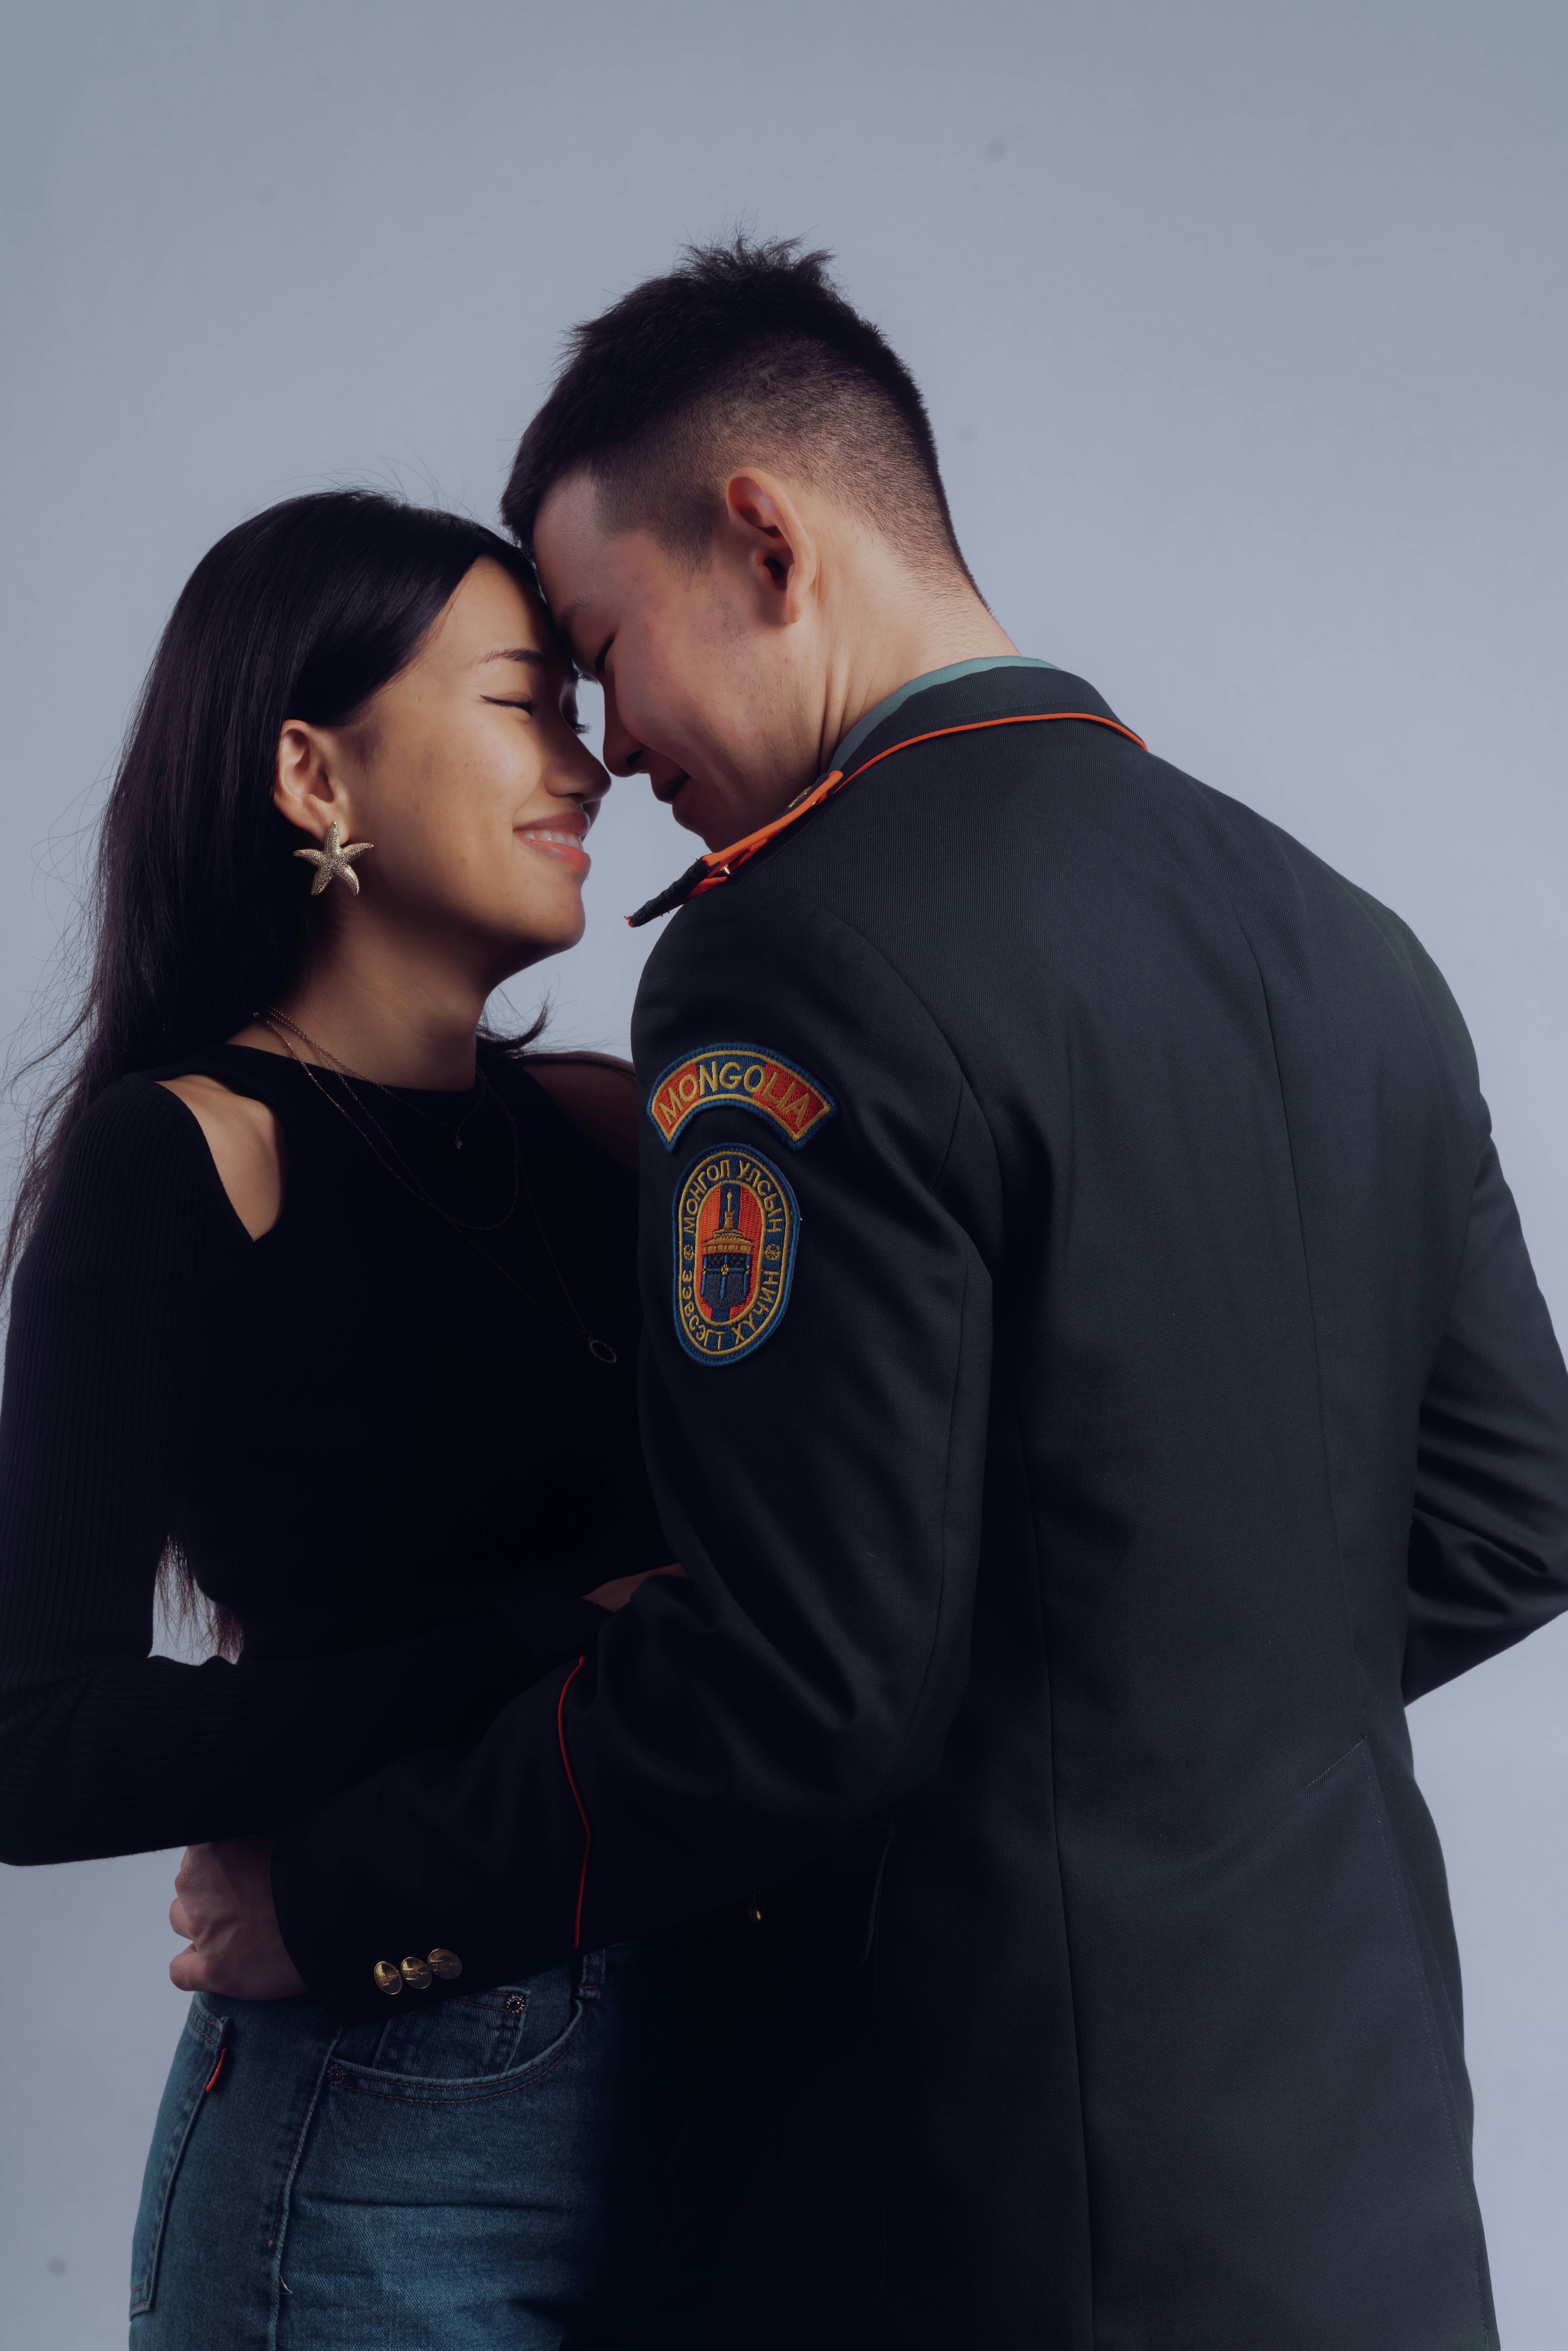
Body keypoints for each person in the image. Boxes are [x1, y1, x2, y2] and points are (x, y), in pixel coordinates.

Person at [172, 242, 1568, 2349]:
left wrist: (336, 1907)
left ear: (760, 539)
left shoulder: (793, 953)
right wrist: (1114, 1716)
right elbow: (1510, 1511)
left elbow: (798, 1692)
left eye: (602, 645)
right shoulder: (1341, 937)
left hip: (976, 2209)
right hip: (1357, 2202)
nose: (609, 743)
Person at [0, 490, 694, 2348]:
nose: (591, 761)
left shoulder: (616, 1132)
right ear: (315, 775)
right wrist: (556, 1648)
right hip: (388, 2133)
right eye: (520, 703)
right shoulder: (190, 1158)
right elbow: (33, 1740)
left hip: (728, 2071)